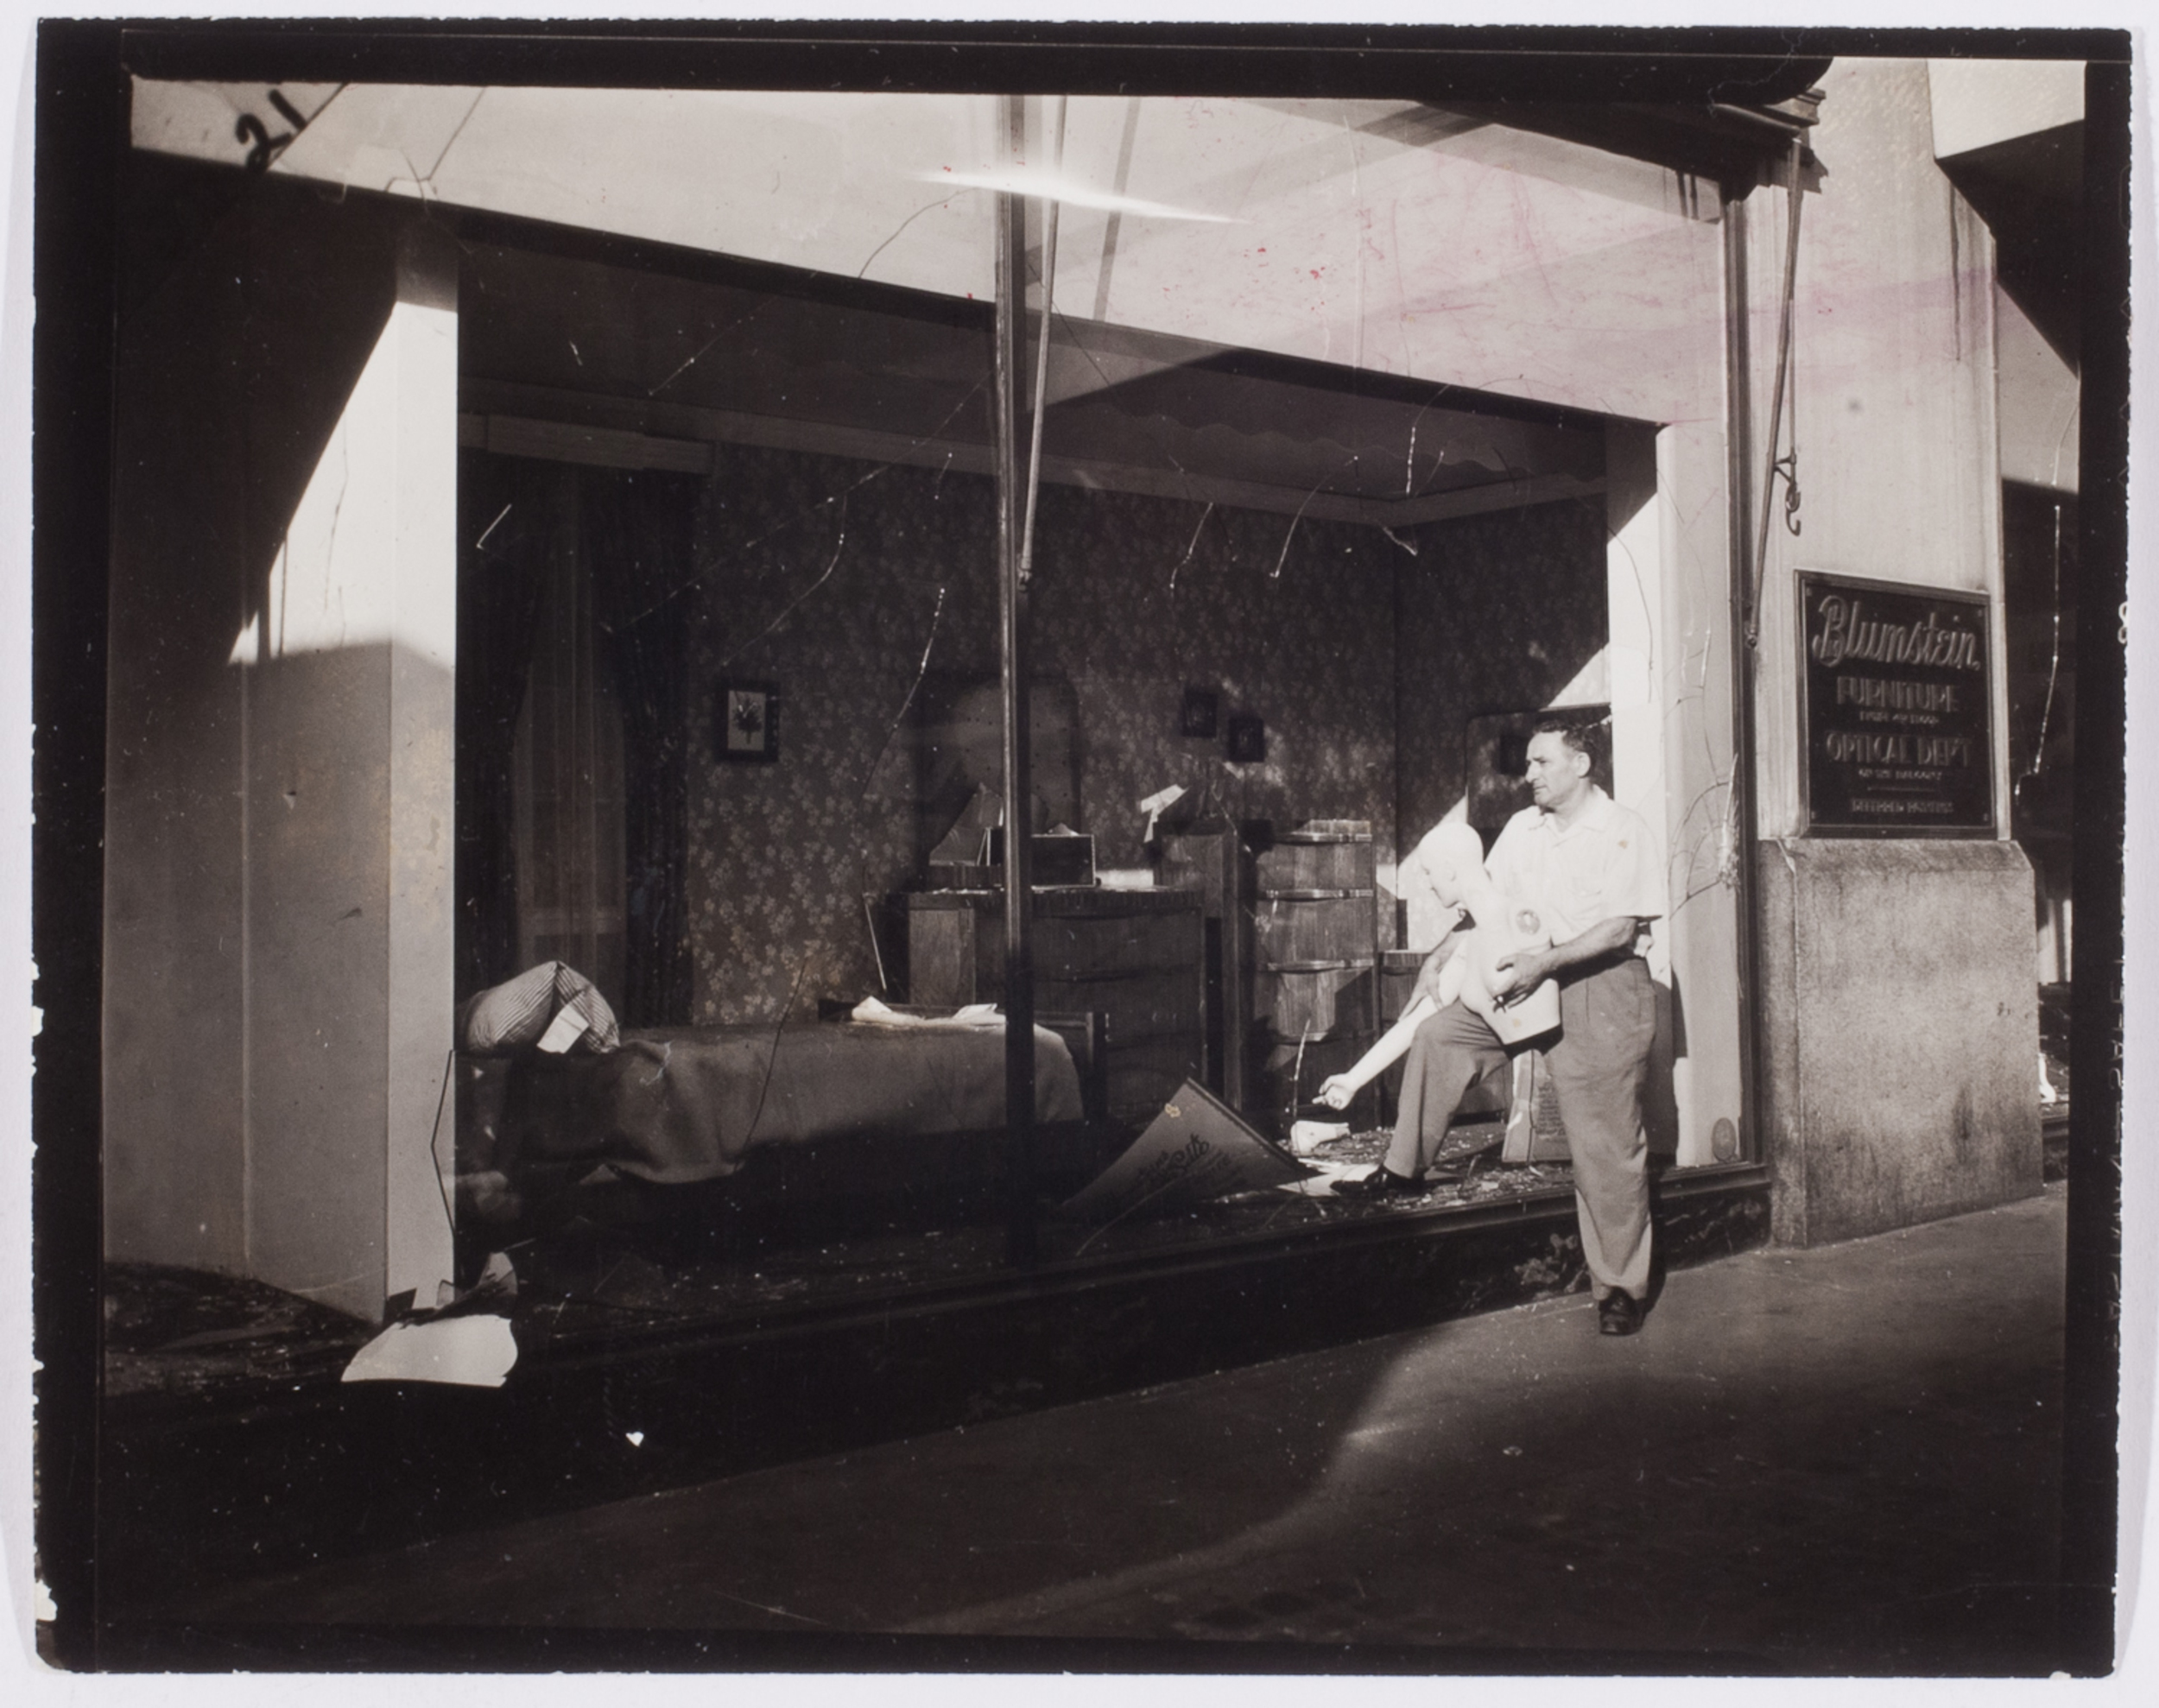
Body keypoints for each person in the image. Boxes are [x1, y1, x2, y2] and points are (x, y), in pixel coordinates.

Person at [1333, 716, 1668, 1338]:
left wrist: (1544, 963)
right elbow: (1490, 904)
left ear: (1581, 764)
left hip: (1600, 986)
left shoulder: (1623, 830)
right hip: (1524, 977)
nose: (1529, 774)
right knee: (1441, 1037)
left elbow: (1620, 929)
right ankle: (1403, 1172)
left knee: (1604, 1143)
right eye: (1530, 763)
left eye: (1542, 762)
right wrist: (1439, 955)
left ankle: (1620, 1288)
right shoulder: (1521, 829)